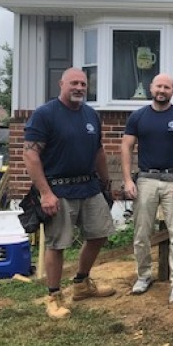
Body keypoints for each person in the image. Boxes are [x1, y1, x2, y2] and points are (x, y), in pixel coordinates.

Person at [22, 68, 116, 319]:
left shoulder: (91, 115)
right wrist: (45, 193)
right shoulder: (45, 115)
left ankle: (81, 283)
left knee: (99, 234)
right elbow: (30, 154)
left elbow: (98, 152)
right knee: (58, 243)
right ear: (61, 84)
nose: (79, 88)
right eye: (74, 83)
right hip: (58, 189)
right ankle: (53, 296)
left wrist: (106, 183)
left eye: (83, 84)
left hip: (88, 186)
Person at [120, 74, 173, 304]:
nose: (162, 90)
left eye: (167, 87)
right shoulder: (138, 116)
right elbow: (126, 147)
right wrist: (127, 180)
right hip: (146, 179)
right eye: (158, 86)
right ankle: (144, 276)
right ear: (151, 88)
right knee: (141, 233)